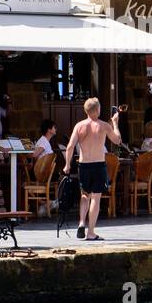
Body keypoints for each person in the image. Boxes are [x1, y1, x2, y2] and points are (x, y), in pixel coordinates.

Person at [62, 98, 123, 241]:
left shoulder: (79, 126)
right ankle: (90, 232)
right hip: (98, 164)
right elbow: (117, 140)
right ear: (97, 110)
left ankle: (81, 222)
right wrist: (115, 123)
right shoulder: (103, 125)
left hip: (83, 165)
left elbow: (70, 146)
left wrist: (67, 164)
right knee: (96, 198)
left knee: (84, 195)